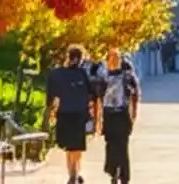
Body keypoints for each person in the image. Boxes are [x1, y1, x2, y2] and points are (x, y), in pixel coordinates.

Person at [47, 45, 95, 184]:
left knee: (69, 147)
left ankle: (72, 173)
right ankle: (75, 171)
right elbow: (92, 94)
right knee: (77, 147)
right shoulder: (82, 74)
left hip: (64, 114)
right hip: (79, 114)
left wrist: (52, 112)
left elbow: (53, 97)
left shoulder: (57, 74)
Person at [99, 49, 140, 184]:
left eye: (116, 58)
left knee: (122, 146)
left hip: (122, 114)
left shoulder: (127, 76)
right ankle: (113, 171)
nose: (113, 60)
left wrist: (134, 113)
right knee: (110, 145)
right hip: (109, 114)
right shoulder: (104, 76)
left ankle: (124, 175)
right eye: (110, 58)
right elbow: (99, 98)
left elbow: (135, 94)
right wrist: (98, 119)